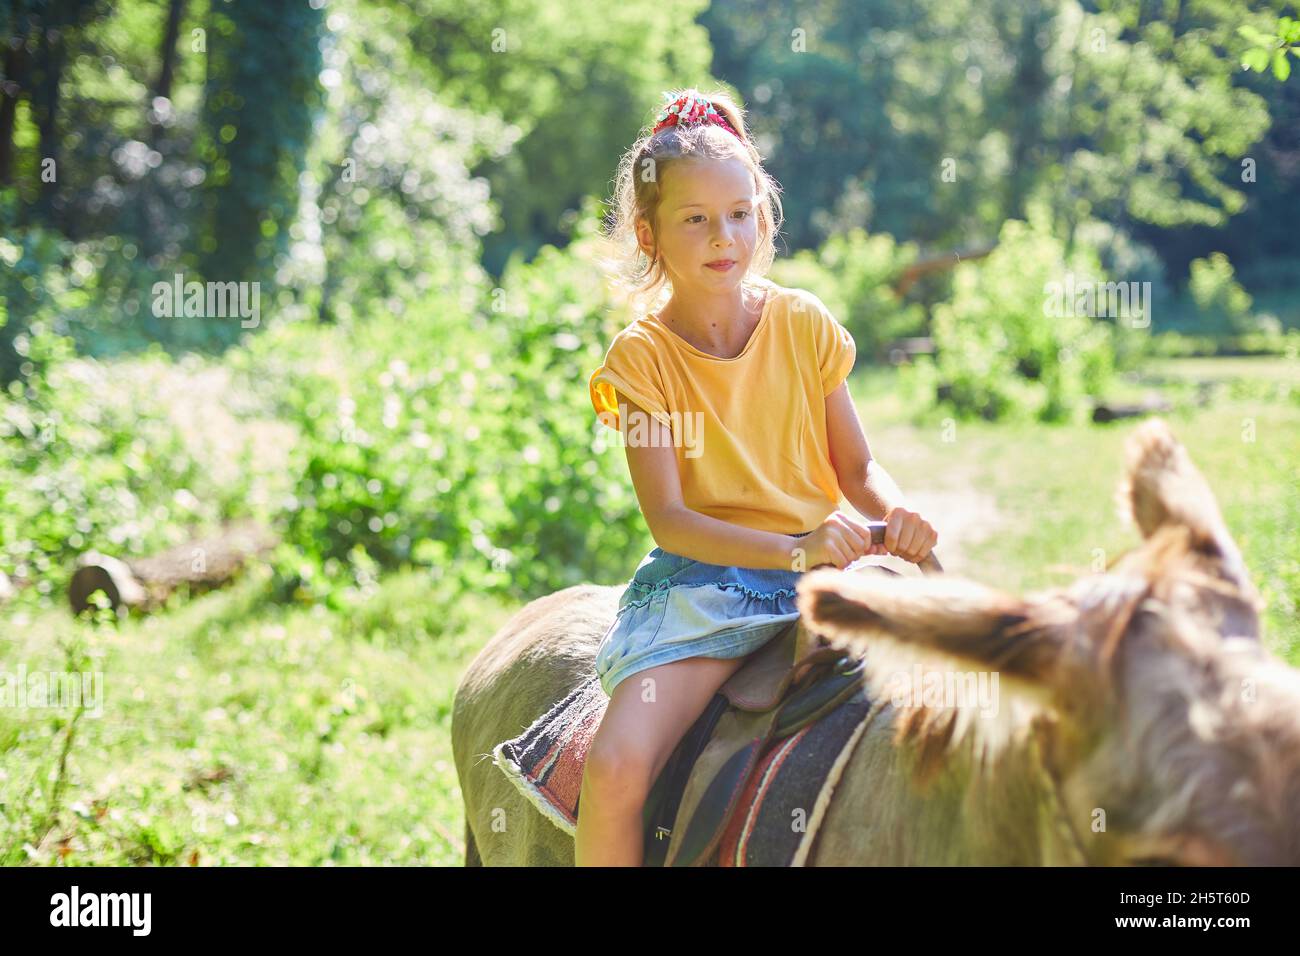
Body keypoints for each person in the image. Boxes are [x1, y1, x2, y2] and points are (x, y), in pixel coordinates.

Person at [577, 88, 938, 866]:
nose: (723, 237)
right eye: (695, 219)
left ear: (763, 218)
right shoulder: (641, 361)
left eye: (740, 214)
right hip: (706, 590)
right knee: (613, 770)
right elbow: (670, 520)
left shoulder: (804, 324)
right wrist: (793, 547)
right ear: (650, 234)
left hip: (832, 567)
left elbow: (859, 467)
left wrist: (898, 513)